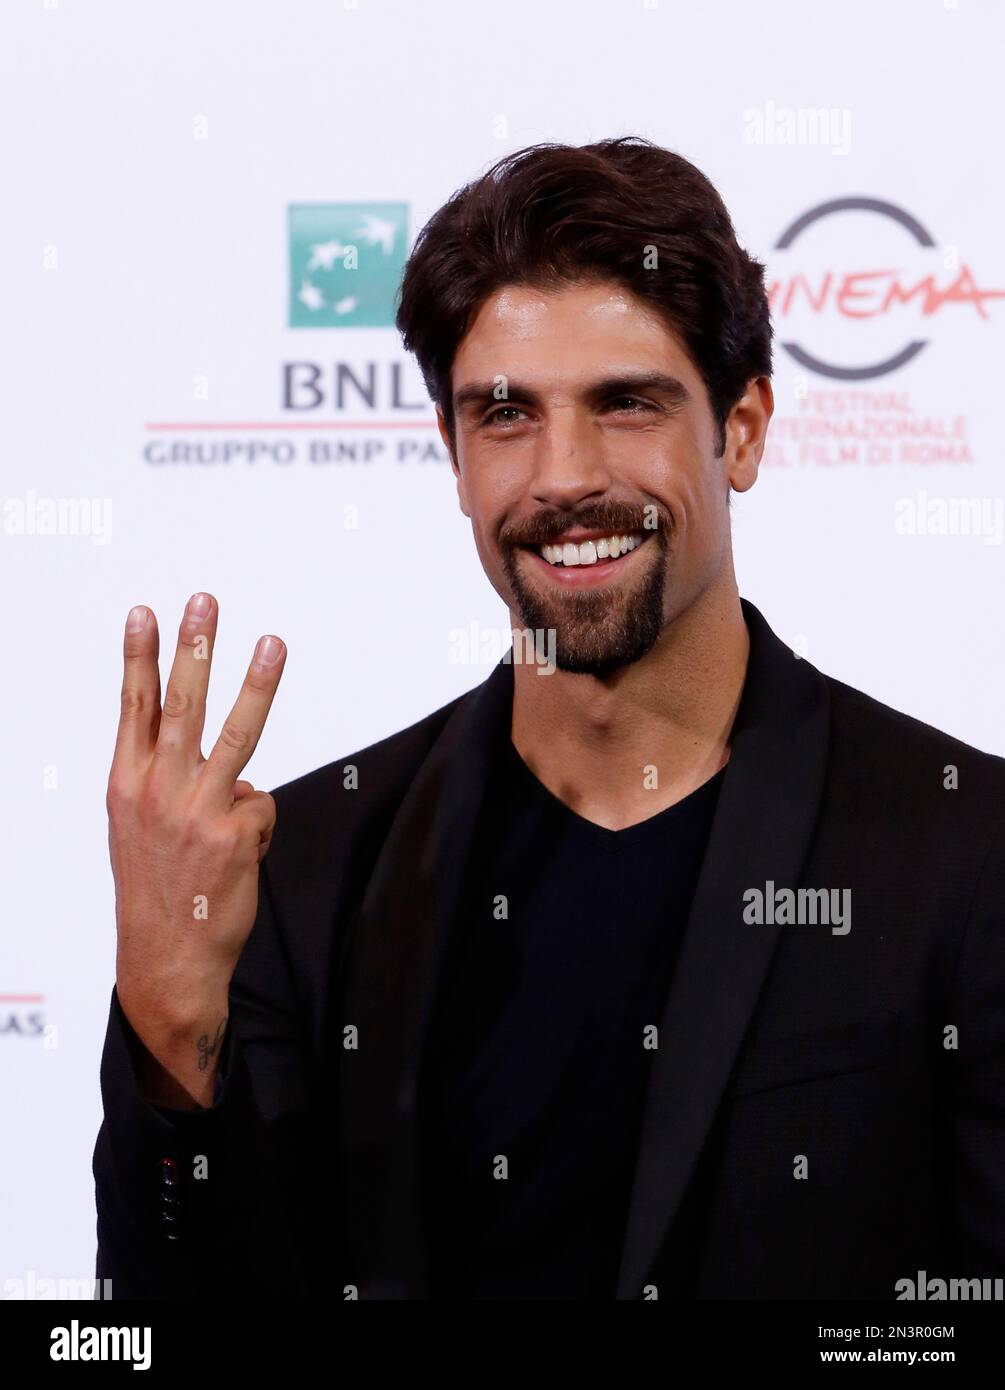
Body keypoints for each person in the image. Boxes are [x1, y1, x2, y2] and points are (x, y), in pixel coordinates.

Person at [93, 136, 1005, 1300]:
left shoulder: (964, 850)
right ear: (454, 455)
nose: (563, 475)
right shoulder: (303, 870)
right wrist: (169, 1024)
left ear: (742, 429)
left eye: (627, 404)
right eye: (507, 415)